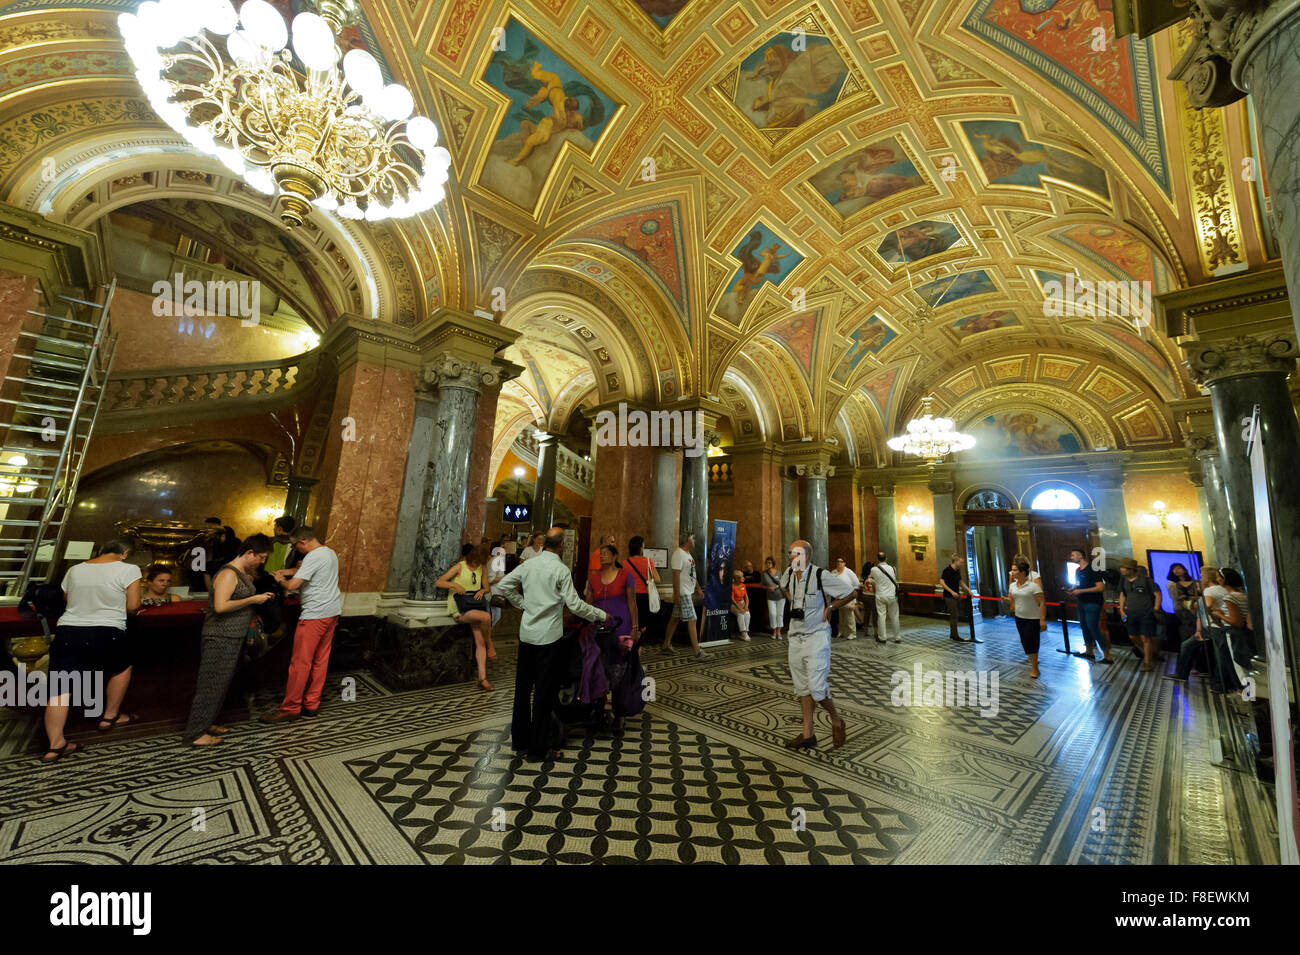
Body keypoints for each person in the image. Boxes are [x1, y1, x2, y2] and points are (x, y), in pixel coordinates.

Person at [494, 527, 607, 761]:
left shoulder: (529, 564)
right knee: (544, 693)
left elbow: (504, 586)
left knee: (523, 691)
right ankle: (538, 750)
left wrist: (523, 604)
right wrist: (601, 615)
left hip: (526, 636)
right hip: (548, 638)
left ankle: (520, 741)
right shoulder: (560, 570)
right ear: (562, 546)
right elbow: (575, 606)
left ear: (546, 544)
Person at [42, 539, 143, 762]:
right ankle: (110, 716)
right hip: (107, 630)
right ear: (124, 553)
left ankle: (56, 744)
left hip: (69, 630)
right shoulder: (129, 568)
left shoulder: (75, 569)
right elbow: (133, 606)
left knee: (60, 686)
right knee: (121, 667)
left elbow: (67, 597)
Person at [183, 535, 275, 746]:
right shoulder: (227, 572)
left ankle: (206, 723)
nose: (262, 561)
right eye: (260, 557)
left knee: (220, 684)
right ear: (249, 553)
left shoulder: (243, 572)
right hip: (220, 636)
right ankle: (195, 734)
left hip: (233, 636)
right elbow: (221, 606)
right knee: (210, 685)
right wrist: (253, 599)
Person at [779, 540, 855, 750]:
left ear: (806, 556)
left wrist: (831, 607)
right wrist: (792, 600)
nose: (790, 557)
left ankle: (836, 719)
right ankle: (807, 734)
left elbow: (851, 592)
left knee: (816, 687)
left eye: (794, 553)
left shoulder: (821, 575)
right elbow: (782, 587)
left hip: (816, 637)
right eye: (789, 553)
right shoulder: (789, 574)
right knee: (802, 687)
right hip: (795, 636)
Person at [261, 527, 343, 722]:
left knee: (300, 663)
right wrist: (287, 571)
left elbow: (292, 586)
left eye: (295, 545)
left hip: (315, 615)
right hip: (332, 612)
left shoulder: (313, 556)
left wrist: (281, 579)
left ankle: (291, 708)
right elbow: (306, 571)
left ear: (303, 541)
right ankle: (312, 704)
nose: (296, 549)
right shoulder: (329, 552)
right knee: (320, 661)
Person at [433, 543, 496, 691]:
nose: (477, 564)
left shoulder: (482, 568)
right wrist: (455, 586)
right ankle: (491, 644)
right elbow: (439, 581)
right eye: (476, 560)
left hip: (474, 604)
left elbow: (486, 587)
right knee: (486, 617)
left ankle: (482, 678)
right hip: (459, 606)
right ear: (471, 556)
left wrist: (483, 590)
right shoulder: (460, 566)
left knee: (479, 641)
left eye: (481, 561)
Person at [1202, 567, 1249, 691]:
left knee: (1239, 667)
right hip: (1242, 633)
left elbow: (1236, 622)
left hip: (1233, 633)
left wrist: (1220, 615)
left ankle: (1246, 695)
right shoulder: (1242, 595)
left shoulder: (1230, 597)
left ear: (1223, 580)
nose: (1217, 579)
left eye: (1218, 577)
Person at [664, 532, 706, 659]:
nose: (695, 541)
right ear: (688, 540)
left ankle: (666, 645)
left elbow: (691, 574)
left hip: (688, 591)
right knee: (692, 619)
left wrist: (698, 588)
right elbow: (675, 574)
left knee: (675, 619)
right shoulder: (678, 554)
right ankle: (697, 652)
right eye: (693, 539)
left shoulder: (688, 554)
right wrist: (677, 594)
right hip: (683, 593)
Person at [1005, 559, 1046, 678]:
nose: (1012, 572)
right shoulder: (1012, 585)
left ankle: (1035, 668)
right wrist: (1006, 600)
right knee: (1025, 642)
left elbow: (1042, 603)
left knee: (1031, 642)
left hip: (1032, 618)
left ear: (1022, 572)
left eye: (1014, 570)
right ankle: (1033, 662)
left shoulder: (1033, 586)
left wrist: (1042, 620)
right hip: (1019, 618)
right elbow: (1013, 600)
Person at [1119, 558, 1160, 671]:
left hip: (1146, 612)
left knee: (1145, 637)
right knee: (1132, 636)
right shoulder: (1123, 580)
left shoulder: (1146, 581)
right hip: (1130, 613)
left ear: (1132, 569)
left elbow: (1157, 593)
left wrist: (1156, 607)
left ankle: (1147, 662)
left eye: (1124, 568)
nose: (1121, 570)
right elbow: (1123, 594)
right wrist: (1121, 608)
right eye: (1121, 568)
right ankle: (1149, 652)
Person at [626, 535, 663, 645]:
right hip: (644, 596)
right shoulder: (648, 561)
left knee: (632, 621)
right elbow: (657, 579)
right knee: (643, 622)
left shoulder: (625, 563)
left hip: (630, 596)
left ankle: (630, 643)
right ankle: (640, 644)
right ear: (641, 548)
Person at [868, 552, 901, 643]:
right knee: (894, 616)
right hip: (892, 595)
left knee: (881, 616)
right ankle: (897, 637)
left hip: (880, 595)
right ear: (886, 558)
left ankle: (882, 637)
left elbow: (870, 579)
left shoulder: (874, 569)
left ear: (877, 559)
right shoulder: (893, 568)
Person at [1167, 563, 1201, 644]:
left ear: (1184, 569)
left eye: (1179, 568)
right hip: (1182, 609)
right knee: (1188, 627)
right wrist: (1191, 597)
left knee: (1196, 626)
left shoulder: (1194, 581)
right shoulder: (1172, 584)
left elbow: (1199, 593)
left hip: (1196, 608)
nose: (1176, 571)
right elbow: (1176, 597)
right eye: (1174, 569)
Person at [941, 554, 971, 642]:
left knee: (955, 615)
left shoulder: (957, 571)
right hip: (949, 596)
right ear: (956, 561)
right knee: (954, 614)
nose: (962, 564)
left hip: (956, 596)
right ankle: (955, 635)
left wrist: (968, 590)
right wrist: (951, 592)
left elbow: (960, 581)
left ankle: (952, 634)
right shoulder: (947, 570)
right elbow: (942, 582)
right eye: (961, 562)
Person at [831, 557, 860, 639]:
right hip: (838, 597)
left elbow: (856, 583)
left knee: (849, 616)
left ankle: (852, 633)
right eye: (837, 562)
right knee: (841, 616)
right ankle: (842, 632)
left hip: (848, 596)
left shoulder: (848, 572)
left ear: (844, 563)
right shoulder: (833, 572)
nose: (839, 563)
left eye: (841, 562)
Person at [761, 556, 785, 640]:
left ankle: (779, 632)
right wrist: (768, 588)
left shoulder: (778, 573)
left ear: (773, 563)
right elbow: (762, 585)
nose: (768, 564)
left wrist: (776, 586)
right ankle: (774, 631)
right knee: (772, 614)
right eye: (767, 563)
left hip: (780, 596)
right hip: (770, 597)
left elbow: (783, 584)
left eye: (769, 563)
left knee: (780, 614)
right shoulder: (764, 574)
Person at [730, 570, 751, 641]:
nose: (743, 578)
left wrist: (746, 606)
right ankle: (743, 633)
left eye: (742, 576)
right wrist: (739, 607)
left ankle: (746, 632)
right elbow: (732, 599)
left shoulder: (743, 585)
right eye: (740, 577)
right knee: (740, 614)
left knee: (747, 613)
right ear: (735, 578)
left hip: (742, 603)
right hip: (734, 605)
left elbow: (746, 597)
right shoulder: (732, 586)